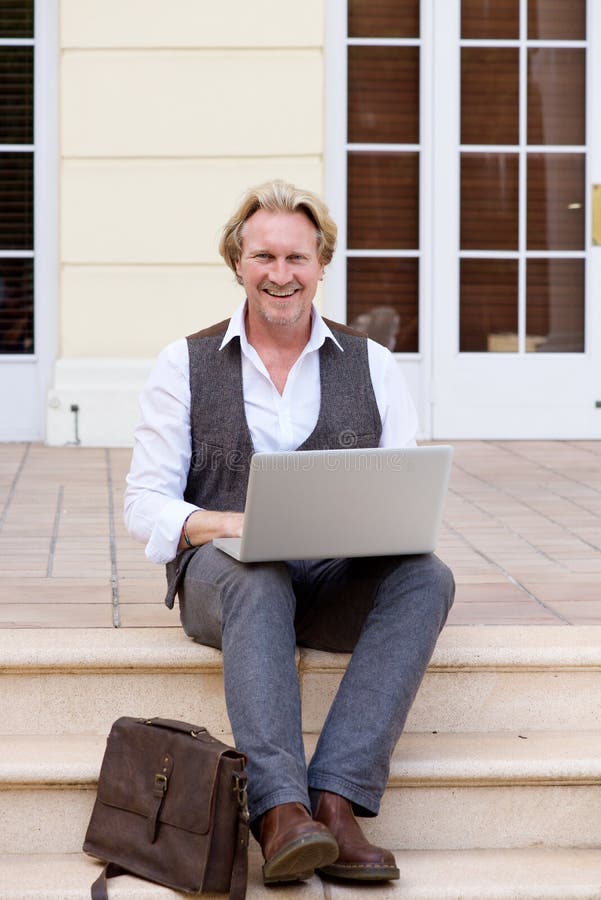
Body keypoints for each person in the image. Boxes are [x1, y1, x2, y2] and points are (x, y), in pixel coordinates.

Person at [124, 180, 455, 885]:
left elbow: (401, 483)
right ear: (237, 262)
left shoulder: (371, 363)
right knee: (256, 574)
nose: (280, 274)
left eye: (296, 258)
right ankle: (279, 812)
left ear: (321, 263)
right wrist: (225, 524)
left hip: (328, 575)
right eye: (264, 257)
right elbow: (144, 503)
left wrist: (385, 525)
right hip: (226, 581)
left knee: (426, 575)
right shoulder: (181, 365)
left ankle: (334, 800)